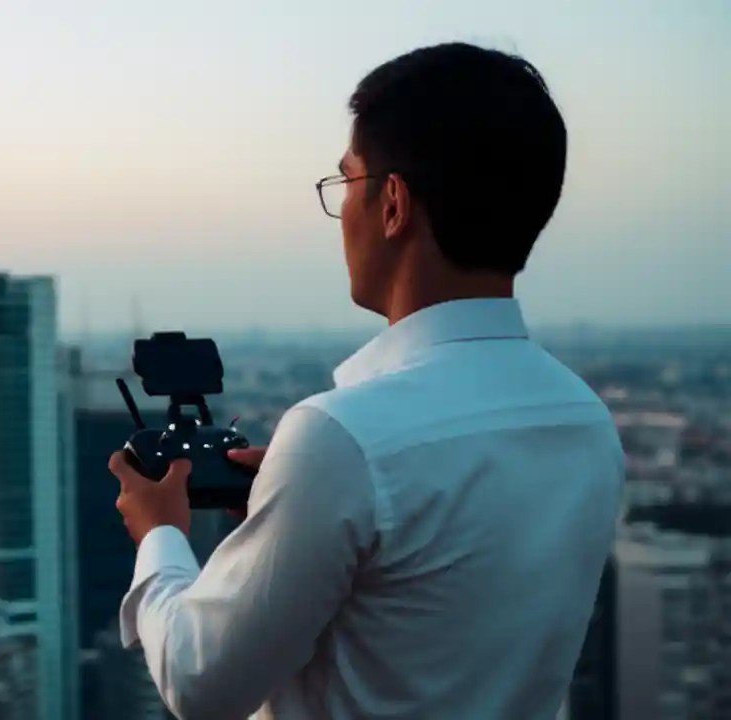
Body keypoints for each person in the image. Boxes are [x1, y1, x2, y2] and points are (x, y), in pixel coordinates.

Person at [108, 42, 625, 720]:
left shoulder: (343, 439)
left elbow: (199, 683)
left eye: (346, 182)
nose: (340, 211)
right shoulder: (586, 424)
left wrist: (160, 536)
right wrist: (298, 515)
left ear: (392, 204)